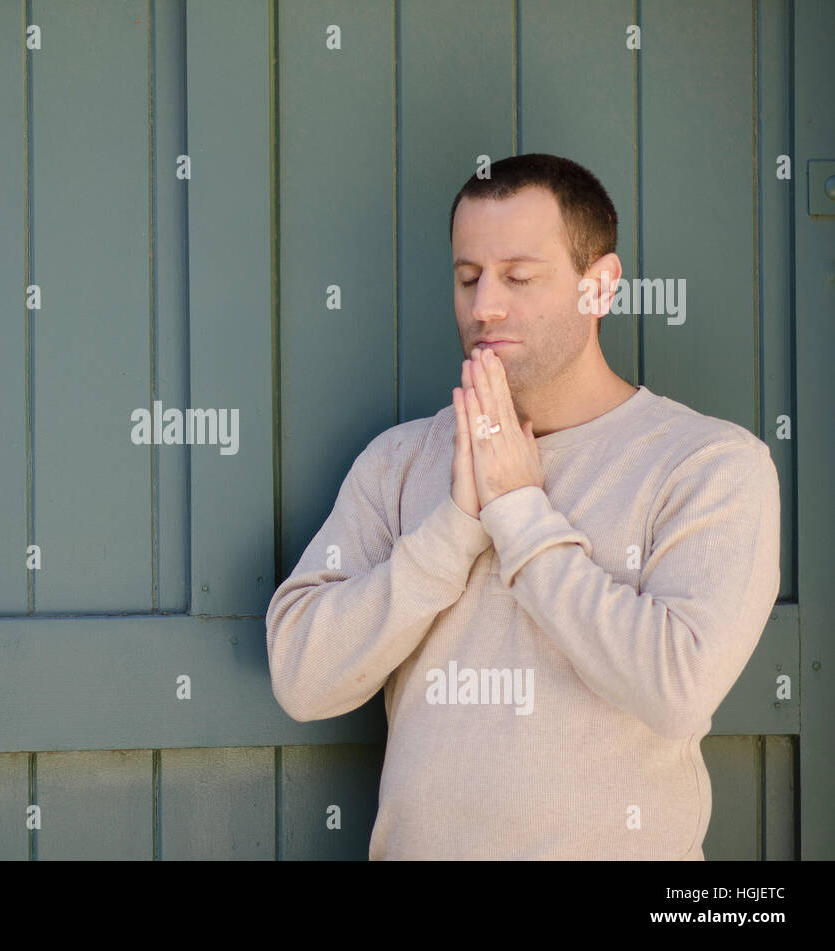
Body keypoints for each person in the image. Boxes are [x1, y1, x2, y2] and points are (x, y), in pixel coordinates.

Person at [264, 153, 781, 860]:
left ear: (599, 287)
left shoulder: (710, 464)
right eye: (468, 277)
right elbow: (301, 674)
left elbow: (675, 686)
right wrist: (453, 529)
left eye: (519, 277)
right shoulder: (400, 460)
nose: (484, 307)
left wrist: (518, 511)